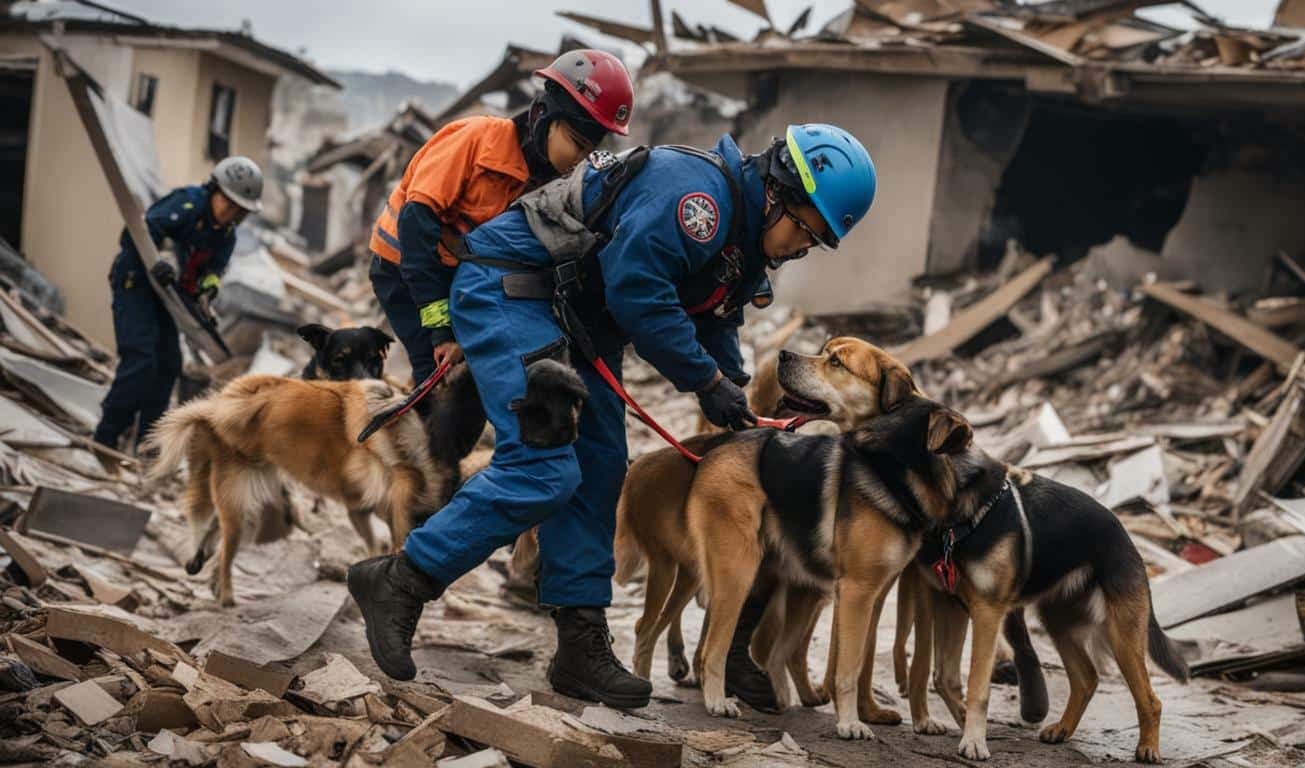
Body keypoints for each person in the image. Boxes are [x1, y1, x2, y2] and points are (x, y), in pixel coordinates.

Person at [348, 124, 878, 709]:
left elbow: (716, 317)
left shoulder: (744, 240)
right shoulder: (694, 197)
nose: (800, 248)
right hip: (511, 291)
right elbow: (638, 292)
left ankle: (580, 644)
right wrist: (704, 382)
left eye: (815, 243)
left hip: (576, 320)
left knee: (601, 470)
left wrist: (730, 386)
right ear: (779, 189)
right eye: (804, 230)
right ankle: (401, 580)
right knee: (545, 465)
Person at [370, 49, 634, 389]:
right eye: (576, 143)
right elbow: (415, 226)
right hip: (402, 266)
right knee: (438, 374)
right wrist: (442, 330)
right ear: (544, 114)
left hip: (458, 274)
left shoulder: (551, 183)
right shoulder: (476, 140)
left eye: (588, 151)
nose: (579, 159)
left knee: (480, 374)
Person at [93, 156, 261, 450]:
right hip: (138, 283)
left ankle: (148, 447)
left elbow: (214, 271)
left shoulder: (227, 237)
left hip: (171, 298)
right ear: (214, 190)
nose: (231, 212)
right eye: (228, 202)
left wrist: (207, 291)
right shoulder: (187, 203)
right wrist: (162, 258)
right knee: (141, 359)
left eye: (239, 210)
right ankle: (105, 438)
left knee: (168, 367)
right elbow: (135, 233)